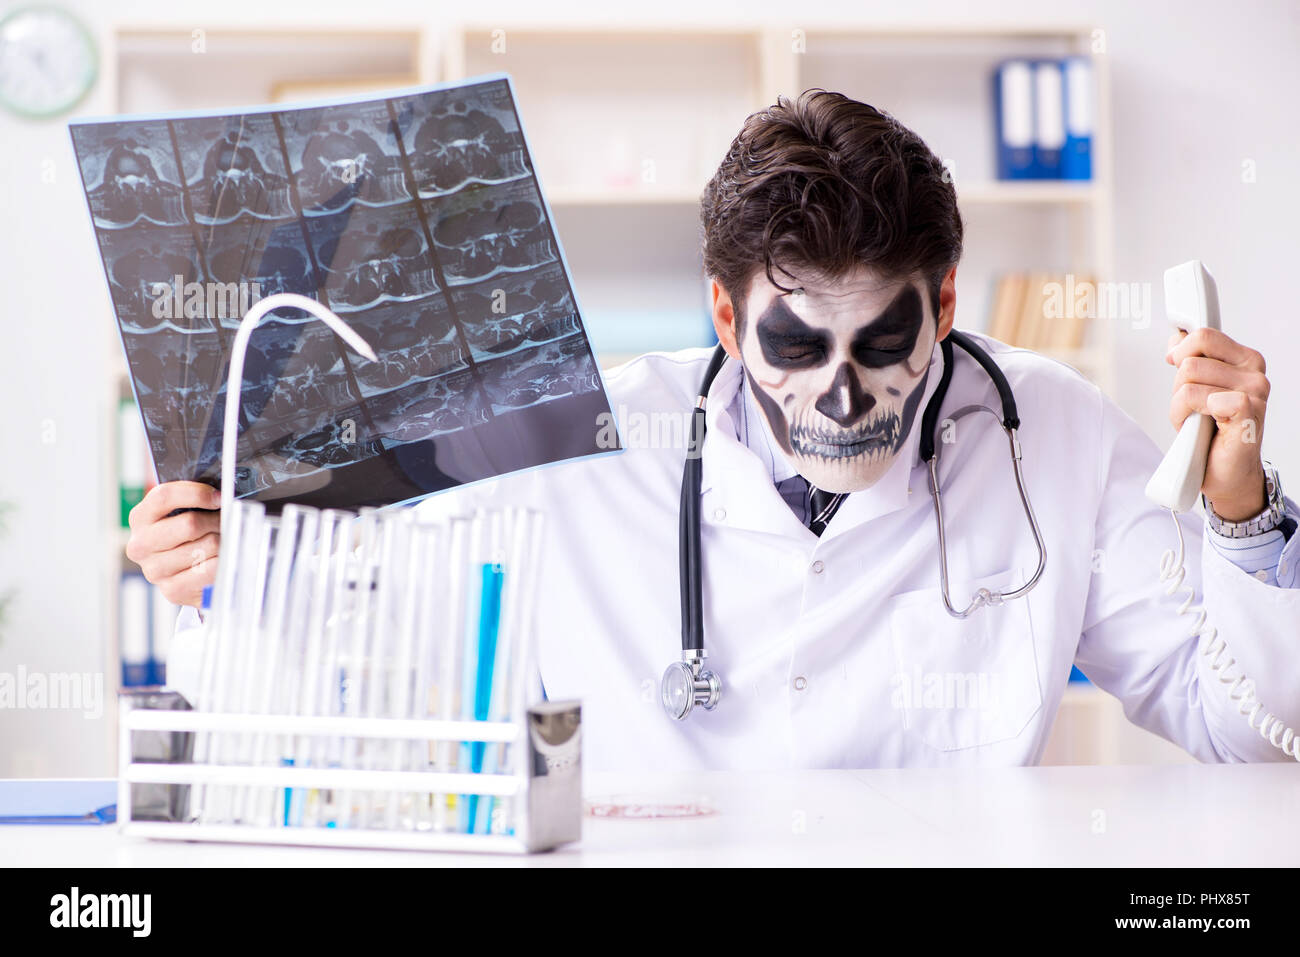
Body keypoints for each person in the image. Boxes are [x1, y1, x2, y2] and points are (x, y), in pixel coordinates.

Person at [128, 90, 1300, 770]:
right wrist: (225, 568)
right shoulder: (578, 436)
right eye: (795, 347)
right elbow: (351, 659)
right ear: (726, 315)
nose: (842, 400)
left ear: (944, 305)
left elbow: (1246, 728)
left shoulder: (1051, 426)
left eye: (886, 344)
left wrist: (1242, 508)